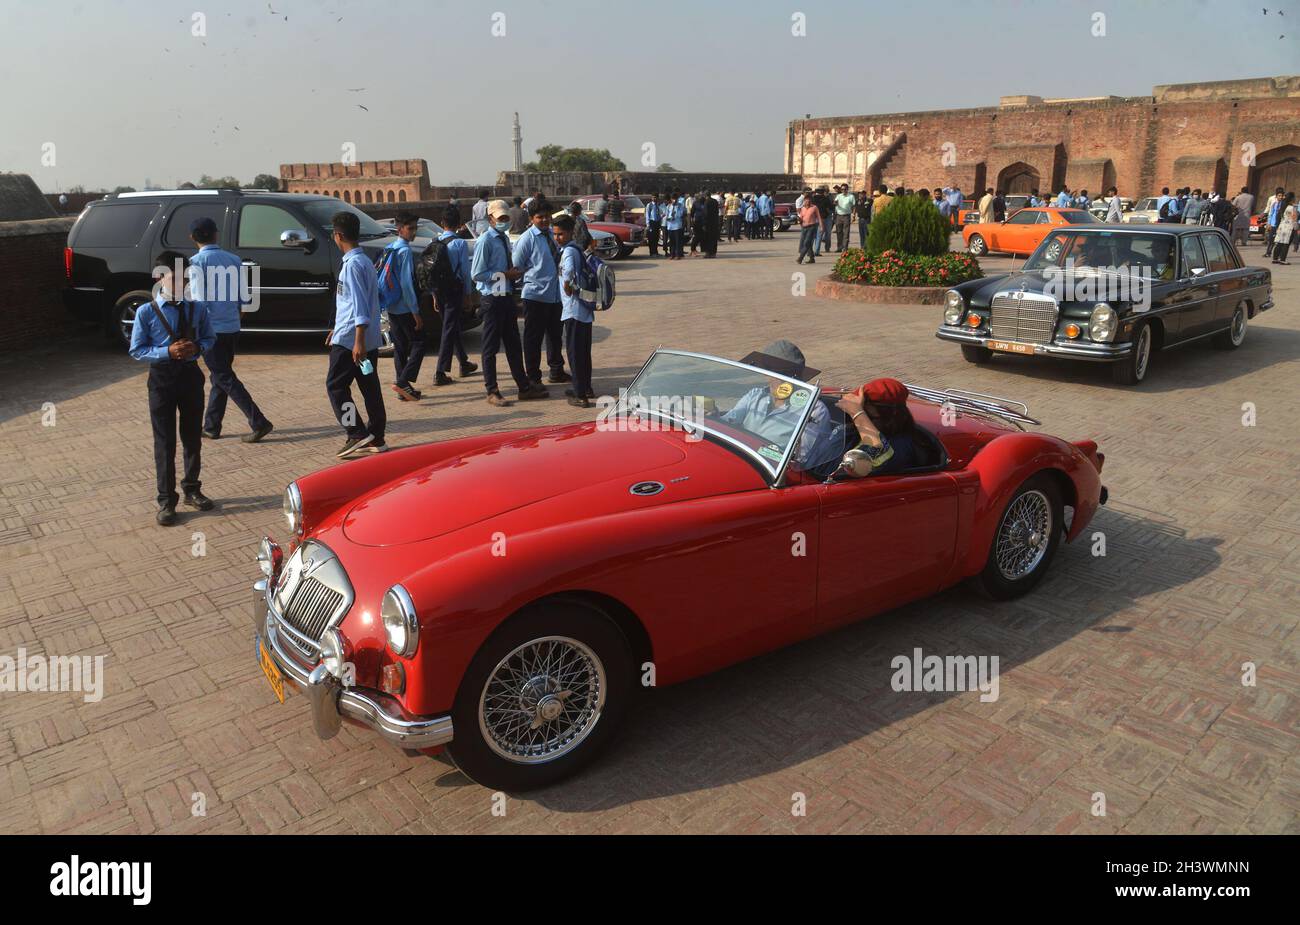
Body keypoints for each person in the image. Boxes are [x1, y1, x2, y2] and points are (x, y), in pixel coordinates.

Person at [130, 255, 217, 525]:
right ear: (160, 278)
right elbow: (137, 349)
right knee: (165, 441)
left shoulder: (197, 309)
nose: (182, 283)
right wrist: (166, 351)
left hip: (190, 376)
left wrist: (198, 348)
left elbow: (210, 338)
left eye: (186, 278)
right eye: (176, 277)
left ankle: (192, 488)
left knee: (192, 436)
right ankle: (167, 500)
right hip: (161, 380)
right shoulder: (146, 312)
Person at [187, 217, 272, 443]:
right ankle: (212, 425)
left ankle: (258, 421)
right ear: (216, 234)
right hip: (232, 327)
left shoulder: (196, 263)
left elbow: (199, 301)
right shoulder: (233, 260)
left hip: (211, 329)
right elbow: (245, 298)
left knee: (224, 376)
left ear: (192, 237)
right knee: (220, 377)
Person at [325, 211, 388, 458]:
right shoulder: (364, 261)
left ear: (338, 235)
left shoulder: (352, 266)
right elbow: (351, 304)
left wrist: (357, 340)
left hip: (352, 343)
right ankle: (377, 436)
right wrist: (337, 328)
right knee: (369, 385)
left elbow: (360, 306)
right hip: (363, 340)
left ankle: (356, 433)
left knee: (336, 386)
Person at [723, 340, 836, 472]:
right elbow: (728, 421)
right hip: (738, 460)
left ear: (798, 375)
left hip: (773, 472)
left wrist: (762, 452)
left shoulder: (814, 409)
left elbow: (800, 460)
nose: (782, 379)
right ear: (765, 373)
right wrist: (712, 414)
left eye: (789, 373)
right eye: (776, 372)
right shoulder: (755, 396)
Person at [469, 201, 539, 406]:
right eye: (500, 219)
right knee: (490, 347)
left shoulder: (503, 239)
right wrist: (504, 274)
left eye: (506, 218)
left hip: (505, 295)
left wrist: (512, 274)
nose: (504, 222)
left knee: (513, 345)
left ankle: (523, 386)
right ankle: (492, 390)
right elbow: (477, 274)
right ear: (490, 219)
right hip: (492, 298)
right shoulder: (486, 241)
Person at [514, 201, 569, 389]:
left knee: (555, 335)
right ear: (531, 219)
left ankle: (556, 370)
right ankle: (533, 377)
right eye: (540, 217)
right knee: (533, 339)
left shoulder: (554, 235)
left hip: (555, 295)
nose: (544, 220)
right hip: (535, 296)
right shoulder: (527, 239)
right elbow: (517, 265)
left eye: (547, 216)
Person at [430, 206, 478, 386]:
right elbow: (465, 272)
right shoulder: (459, 244)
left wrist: (434, 295)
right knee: (449, 329)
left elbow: (431, 271)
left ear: (441, 223)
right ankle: (440, 371)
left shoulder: (434, 241)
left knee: (451, 325)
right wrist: (468, 295)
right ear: (459, 224)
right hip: (454, 290)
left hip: (439, 290)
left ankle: (463, 362)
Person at [833, 378, 921, 476]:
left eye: (864, 409)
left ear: (886, 413)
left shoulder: (899, 445)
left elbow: (878, 451)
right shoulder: (855, 431)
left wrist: (857, 412)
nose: (863, 416)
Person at [382, 211, 427, 402]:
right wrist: (415, 311)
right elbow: (407, 284)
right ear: (400, 229)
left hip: (392, 304)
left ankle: (404, 389)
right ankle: (403, 381)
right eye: (410, 228)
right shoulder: (405, 251)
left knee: (400, 347)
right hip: (404, 306)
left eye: (415, 228)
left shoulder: (390, 247)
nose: (413, 232)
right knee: (419, 343)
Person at [552, 215, 595, 408]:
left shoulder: (568, 252)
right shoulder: (577, 249)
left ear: (569, 232)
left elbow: (567, 274)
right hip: (584, 310)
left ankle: (580, 395)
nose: (557, 238)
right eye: (555, 234)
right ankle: (585, 387)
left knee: (575, 353)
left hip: (573, 309)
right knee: (584, 352)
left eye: (560, 234)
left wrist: (568, 287)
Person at [1271, 193, 1296, 264]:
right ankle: (1282, 259)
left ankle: (1275, 258)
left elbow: (1278, 217)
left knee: (1279, 243)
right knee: (1286, 244)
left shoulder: (1282, 206)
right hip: (1289, 228)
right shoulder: (1292, 208)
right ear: (1291, 199)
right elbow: (1294, 219)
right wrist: (1296, 227)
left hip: (1281, 227)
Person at [796, 195, 821, 264]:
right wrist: (799, 219)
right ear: (804, 201)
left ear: (810, 201)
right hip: (804, 227)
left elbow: (819, 217)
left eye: (808, 200)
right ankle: (812, 258)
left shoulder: (814, 207)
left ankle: (800, 258)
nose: (807, 201)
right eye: (806, 200)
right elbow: (801, 217)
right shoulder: (802, 208)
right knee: (808, 243)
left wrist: (821, 226)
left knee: (806, 242)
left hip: (812, 227)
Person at [663, 190, 685, 260]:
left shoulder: (680, 206)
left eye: (675, 199)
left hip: (677, 226)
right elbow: (666, 215)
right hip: (670, 226)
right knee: (671, 241)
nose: (674, 200)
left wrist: (674, 215)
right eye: (673, 199)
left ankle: (678, 254)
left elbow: (680, 214)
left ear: (677, 199)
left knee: (677, 241)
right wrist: (668, 218)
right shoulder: (669, 206)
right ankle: (672, 254)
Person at [834, 186, 856, 252]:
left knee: (846, 232)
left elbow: (854, 206)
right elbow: (835, 202)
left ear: (847, 189)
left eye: (845, 189)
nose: (843, 190)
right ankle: (839, 247)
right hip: (839, 216)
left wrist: (853, 215)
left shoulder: (851, 196)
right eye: (842, 189)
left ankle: (845, 248)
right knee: (839, 232)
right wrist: (835, 203)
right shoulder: (839, 196)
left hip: (846, 216)